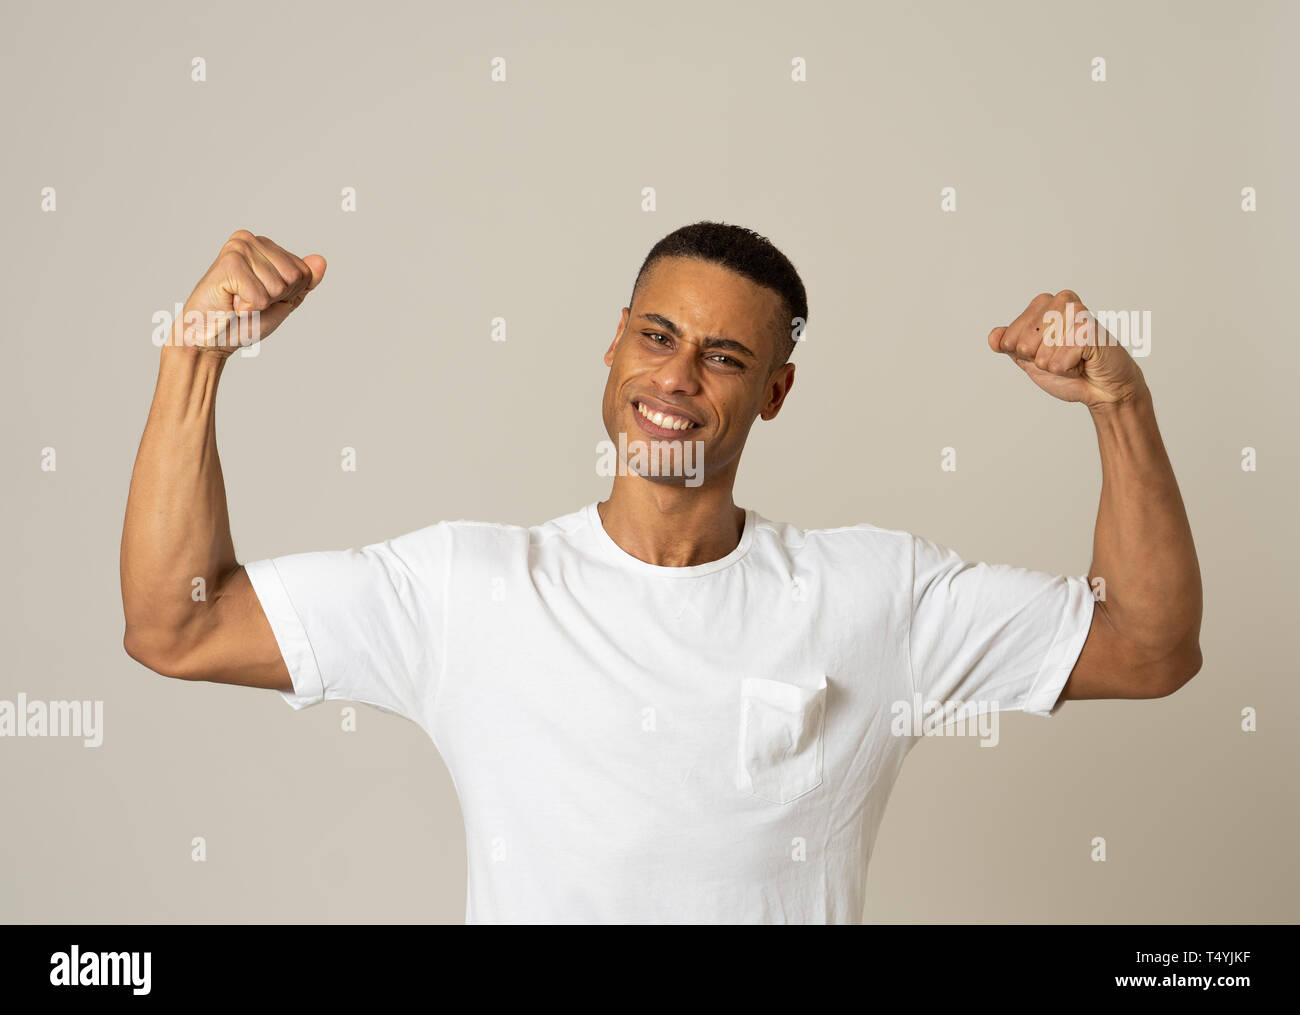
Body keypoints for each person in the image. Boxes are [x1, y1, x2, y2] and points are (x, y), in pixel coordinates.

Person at [120, 221, 1202, 923]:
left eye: (724, 357)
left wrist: (1122, 408)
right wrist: (192, 357)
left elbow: (1149, 648)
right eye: (657, 335)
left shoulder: (876, 598)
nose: (675, 378)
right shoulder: (474, 588)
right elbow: (180, 625)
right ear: (613, 347)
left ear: (775, 391)